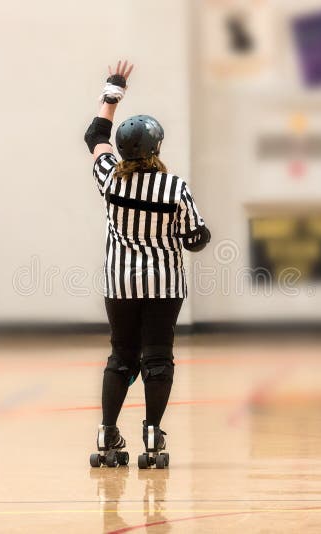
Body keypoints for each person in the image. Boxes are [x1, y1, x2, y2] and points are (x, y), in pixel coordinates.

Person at [84, 61, 211, 469]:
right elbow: (196, 239)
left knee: (121, 355)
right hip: (163, 284)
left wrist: (113, 90)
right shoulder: (174, 188)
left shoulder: (109, 179)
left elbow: (94, 136)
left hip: (119, 283)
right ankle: (153, 435)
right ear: (157, 147)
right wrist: (175, 233)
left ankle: (107, 433)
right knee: (158, 358)